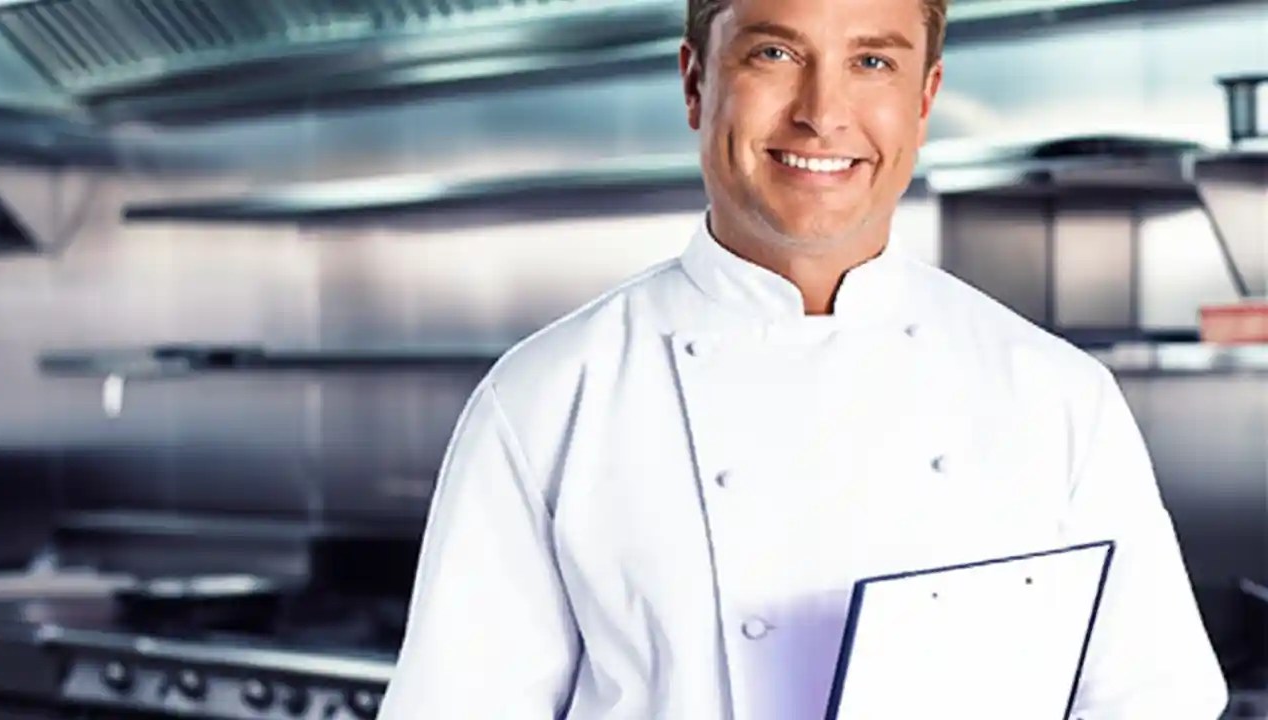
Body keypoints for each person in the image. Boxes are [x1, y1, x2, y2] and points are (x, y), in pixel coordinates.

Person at [377, 0, 1229, 717]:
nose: (823, 113)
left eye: (873, 62)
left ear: (925, 98)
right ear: (695, 82)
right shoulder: (548, 397)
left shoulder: (1057, 395)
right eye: (776, 54)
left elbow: (1156, 702)